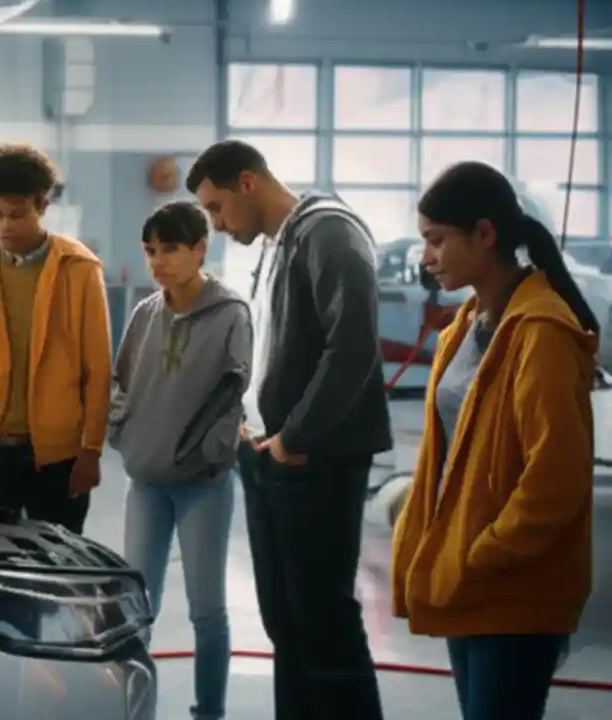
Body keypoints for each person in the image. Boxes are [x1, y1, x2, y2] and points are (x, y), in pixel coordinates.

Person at [186, 139, 391, 720]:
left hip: (313, 459)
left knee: (322, 623)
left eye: (217, 208)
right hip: (273, 455)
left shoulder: (329, 232)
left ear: (248, 183)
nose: (217, 224)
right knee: (286, 622)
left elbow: (350, 346)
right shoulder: (282, 243)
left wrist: (297, 437)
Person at [391, 162, 600, 720]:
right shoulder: (464, 326)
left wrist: (485, 552)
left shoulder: (542, 333)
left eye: (437, 241)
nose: (427, 257)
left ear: (484, 235)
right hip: (470, 577)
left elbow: (556, 478)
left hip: (512, 585)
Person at [109, 201, 252, 720]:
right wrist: (121, 435)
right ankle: (135, 707)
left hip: (202, 487)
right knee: (135, 608)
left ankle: (209, 711)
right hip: (145, 483)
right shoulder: (145, 313)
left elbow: (234, 391)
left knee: (207, 610)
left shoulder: (230, 313)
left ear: (199, 248)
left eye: (170, 249)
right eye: (150, 250)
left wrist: (209, 455)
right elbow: (119, 385)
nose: (158, 261)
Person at [0, 142, 112, 534]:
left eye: (17, 214)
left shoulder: (79, 270)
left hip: (57, 456)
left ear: (42, 206)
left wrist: (91, 449)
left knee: (59, 567)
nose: (5, 226)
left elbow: (97, 369)